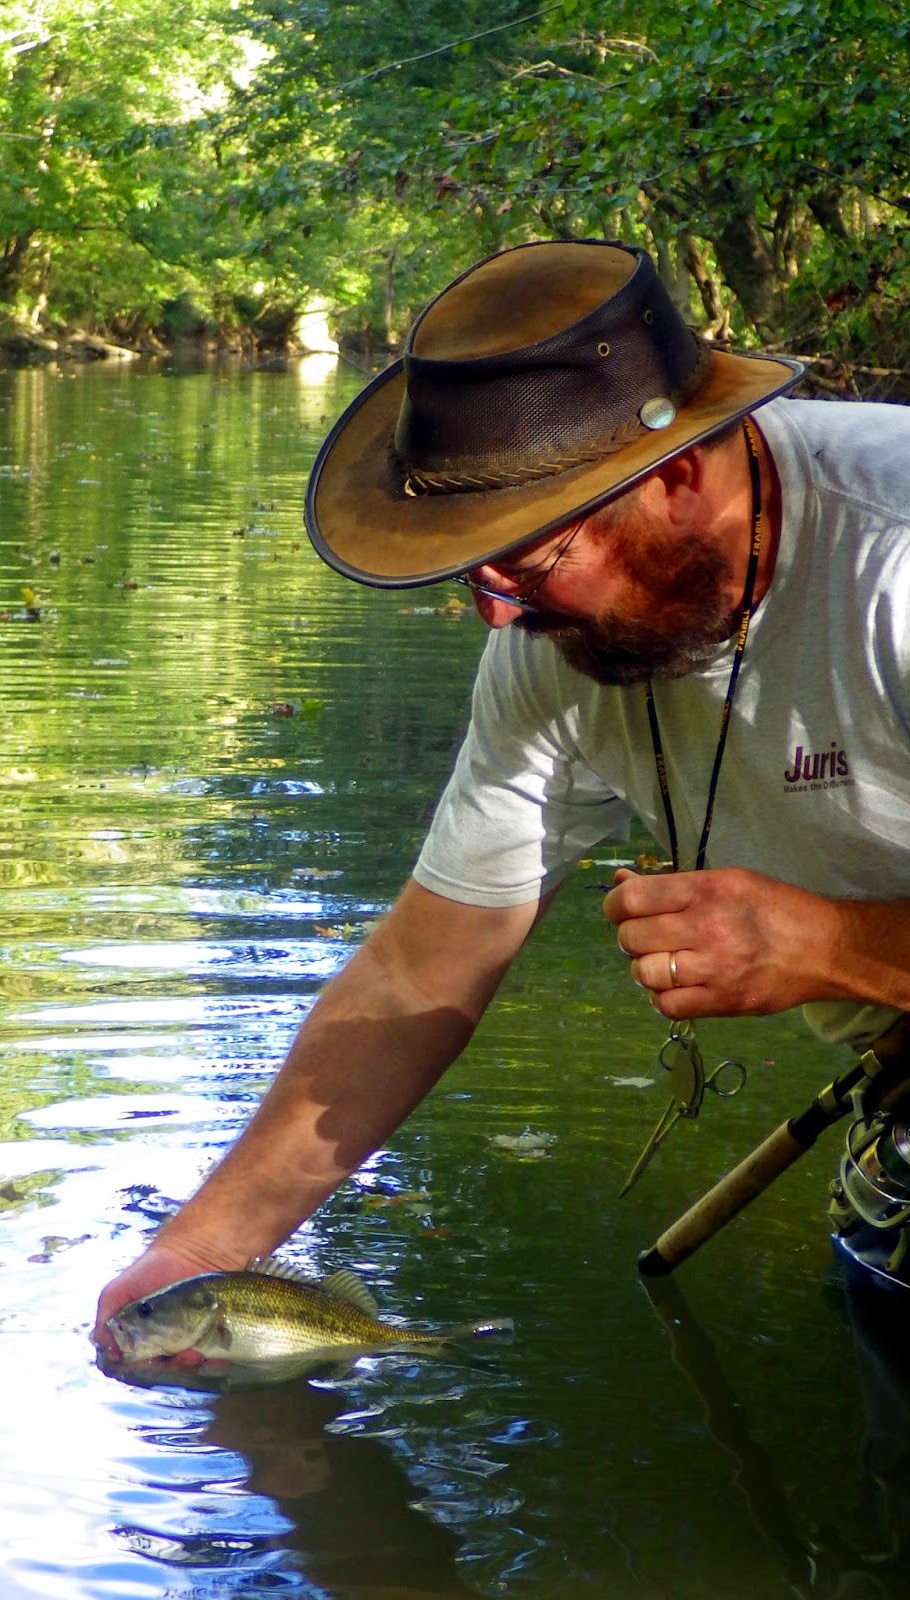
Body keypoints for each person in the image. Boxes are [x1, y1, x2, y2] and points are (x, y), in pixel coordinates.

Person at [94, 238, 910, 1355]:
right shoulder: (554, 642)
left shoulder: (893, 561)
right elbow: (421, 966)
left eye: (523, 561)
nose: (492, 614)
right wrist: (198, 1256)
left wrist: (829, 945)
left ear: (677, 475)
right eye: (470, 568)